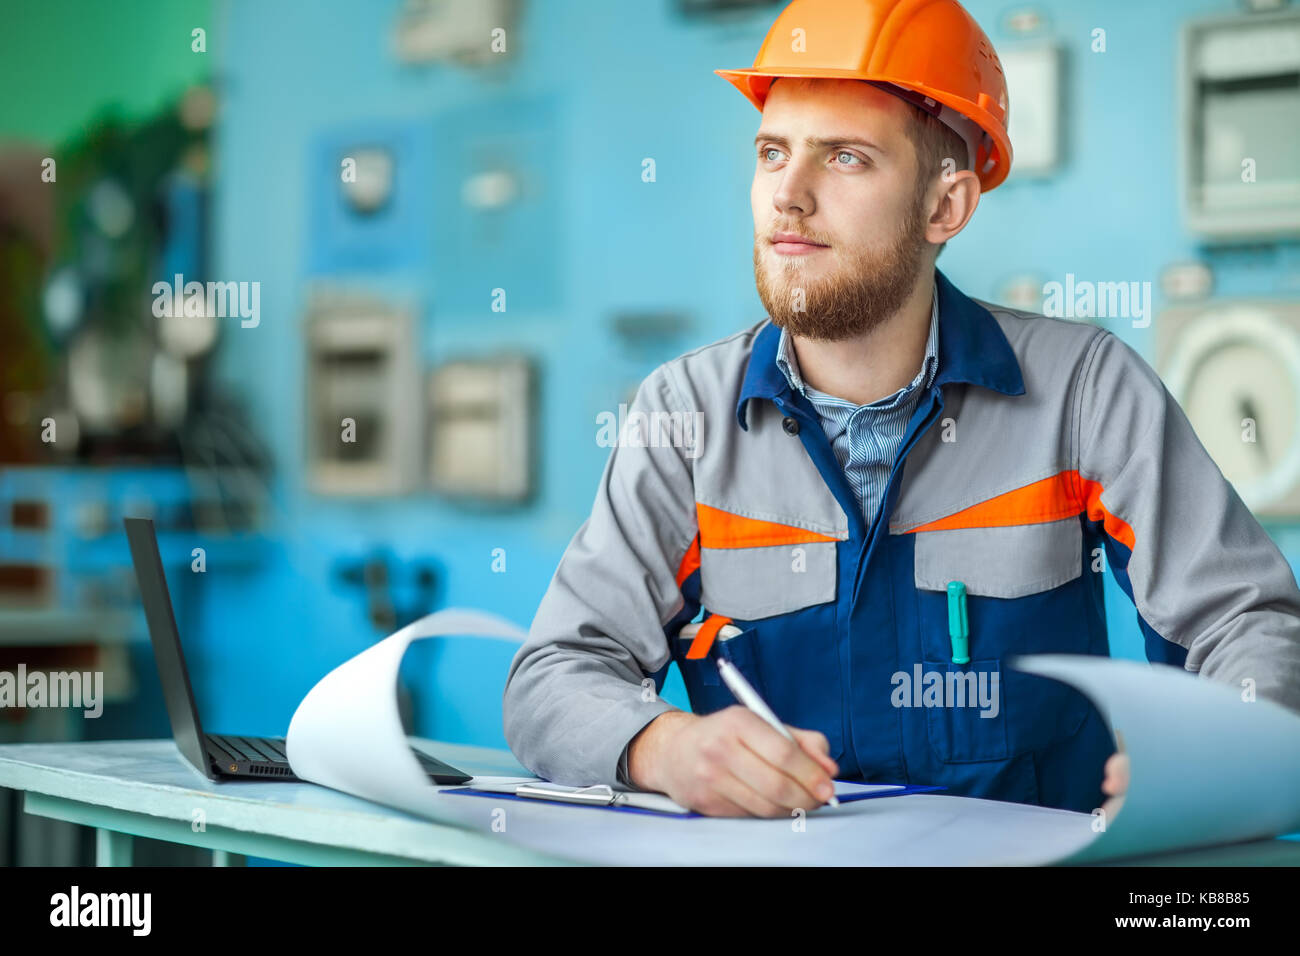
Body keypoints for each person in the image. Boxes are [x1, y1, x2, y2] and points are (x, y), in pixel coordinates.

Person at [503, 0, 1300, 818]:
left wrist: (1224, 746)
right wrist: (662, 747)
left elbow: (1246, 621)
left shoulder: (1085, 392)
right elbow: (554, 674)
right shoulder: (684, 418)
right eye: (772, 152)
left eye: (844, 158)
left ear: (944, 208)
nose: (789, 196)